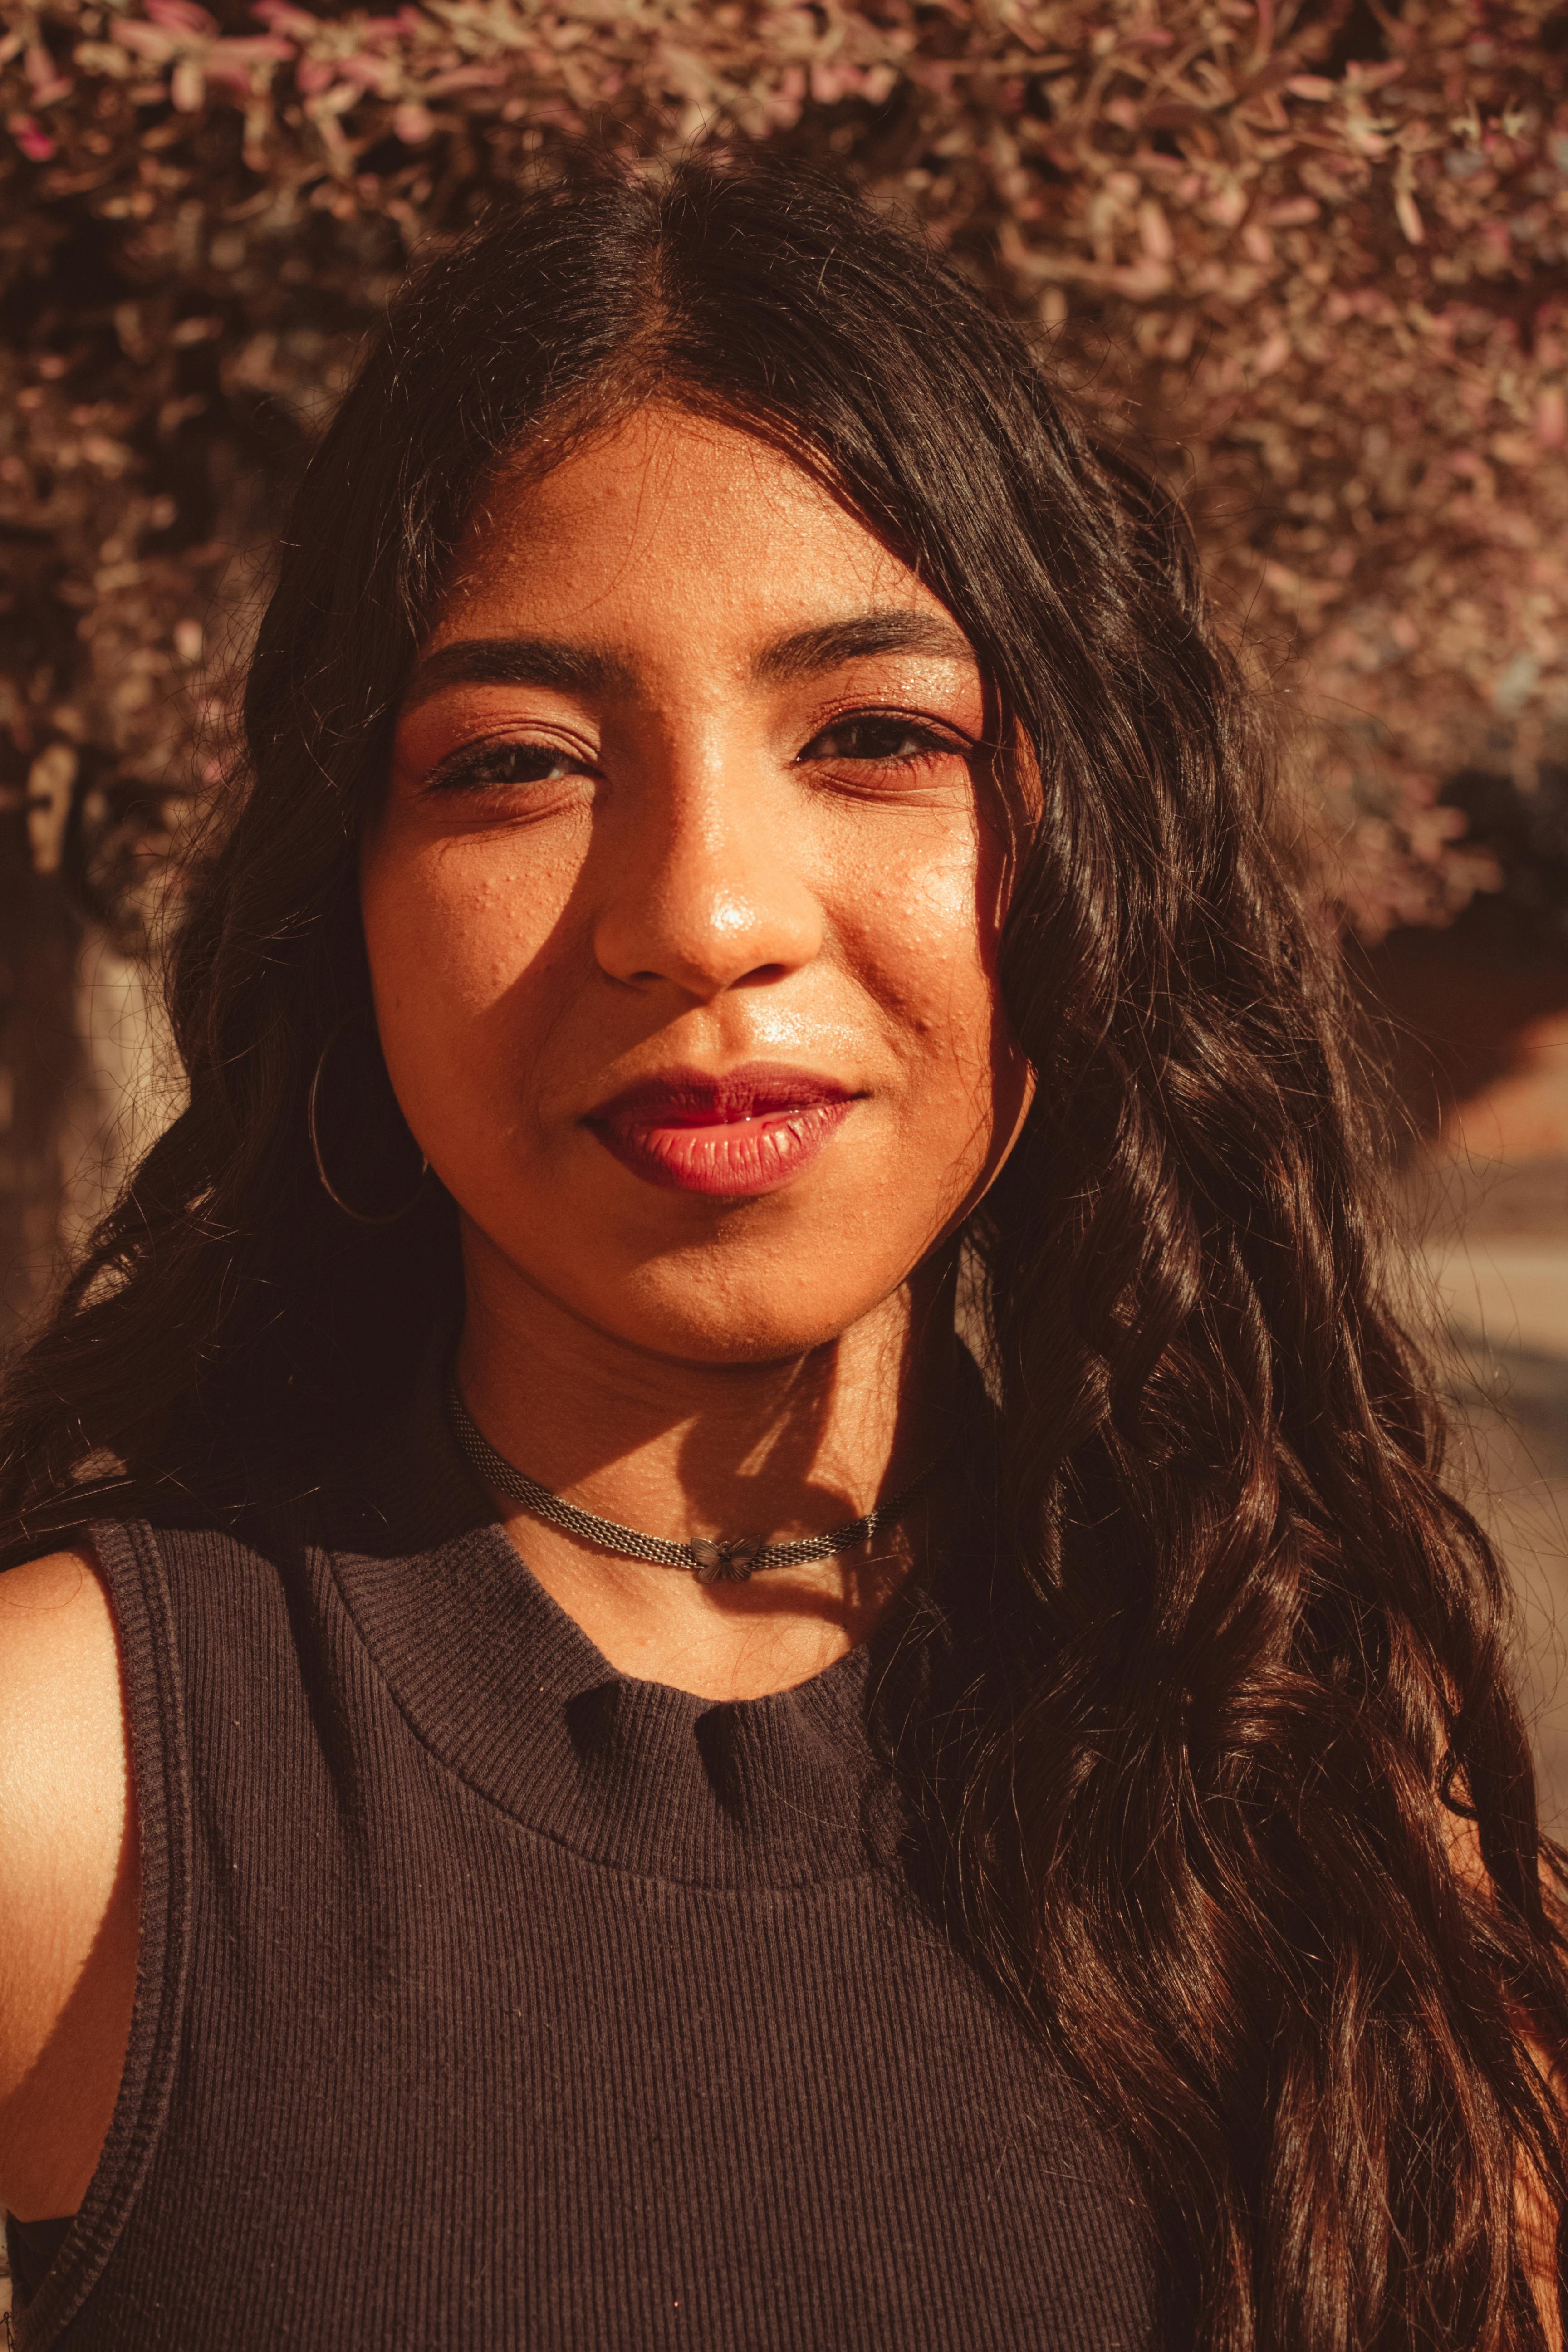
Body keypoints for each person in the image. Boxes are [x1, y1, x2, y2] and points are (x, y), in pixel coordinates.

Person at [0, 154, 1563, 2352]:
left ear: (1092, 849)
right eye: (521, 763)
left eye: (878, 738)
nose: (705, 913)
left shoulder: (1351, 1828)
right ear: (340, 901)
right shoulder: (71, 1792)